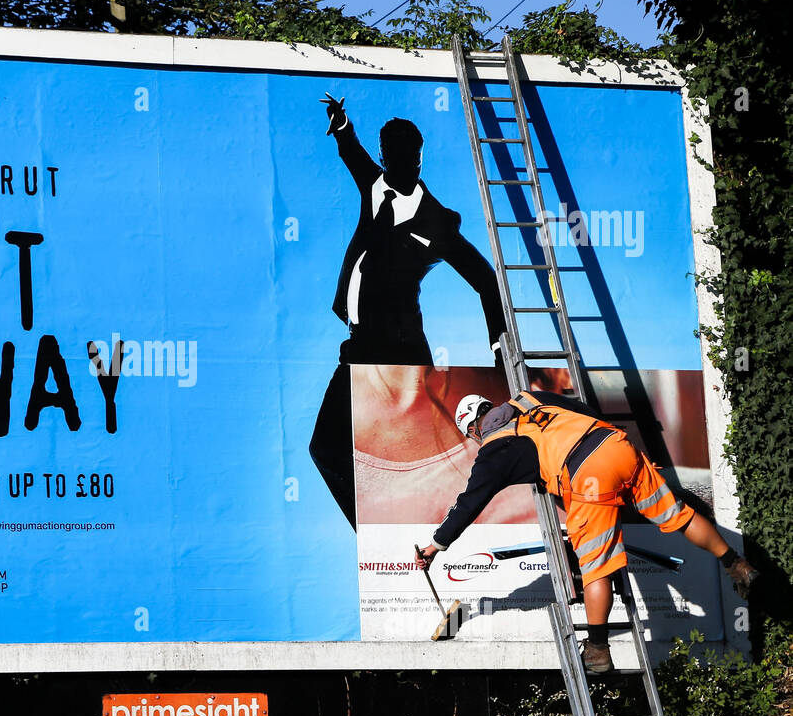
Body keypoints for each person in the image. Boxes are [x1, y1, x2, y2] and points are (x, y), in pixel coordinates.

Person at [414, 390, 759, 674]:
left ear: (473, 429)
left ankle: (597, 650)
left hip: (587, 474)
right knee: (679, 516)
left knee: (597, 566)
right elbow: (582, 410)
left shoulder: (494, 449)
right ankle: (737, 564)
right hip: (615, 444)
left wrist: (435, 546)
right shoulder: (527, 399)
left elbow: (468, 503)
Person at [310, 93, 506, 529]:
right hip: (360, 346)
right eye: (391, 158)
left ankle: (457, 518)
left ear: (420, 159)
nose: (400, 168)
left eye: (410, 159)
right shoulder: (373, 184)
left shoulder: (439, 221)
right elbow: (351, 152)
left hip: (401, 350)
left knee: (421, 453)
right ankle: (378, 529)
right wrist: (341, 123)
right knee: (324, 448)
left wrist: (499, 345)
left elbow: (485, 280)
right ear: (384, 156)